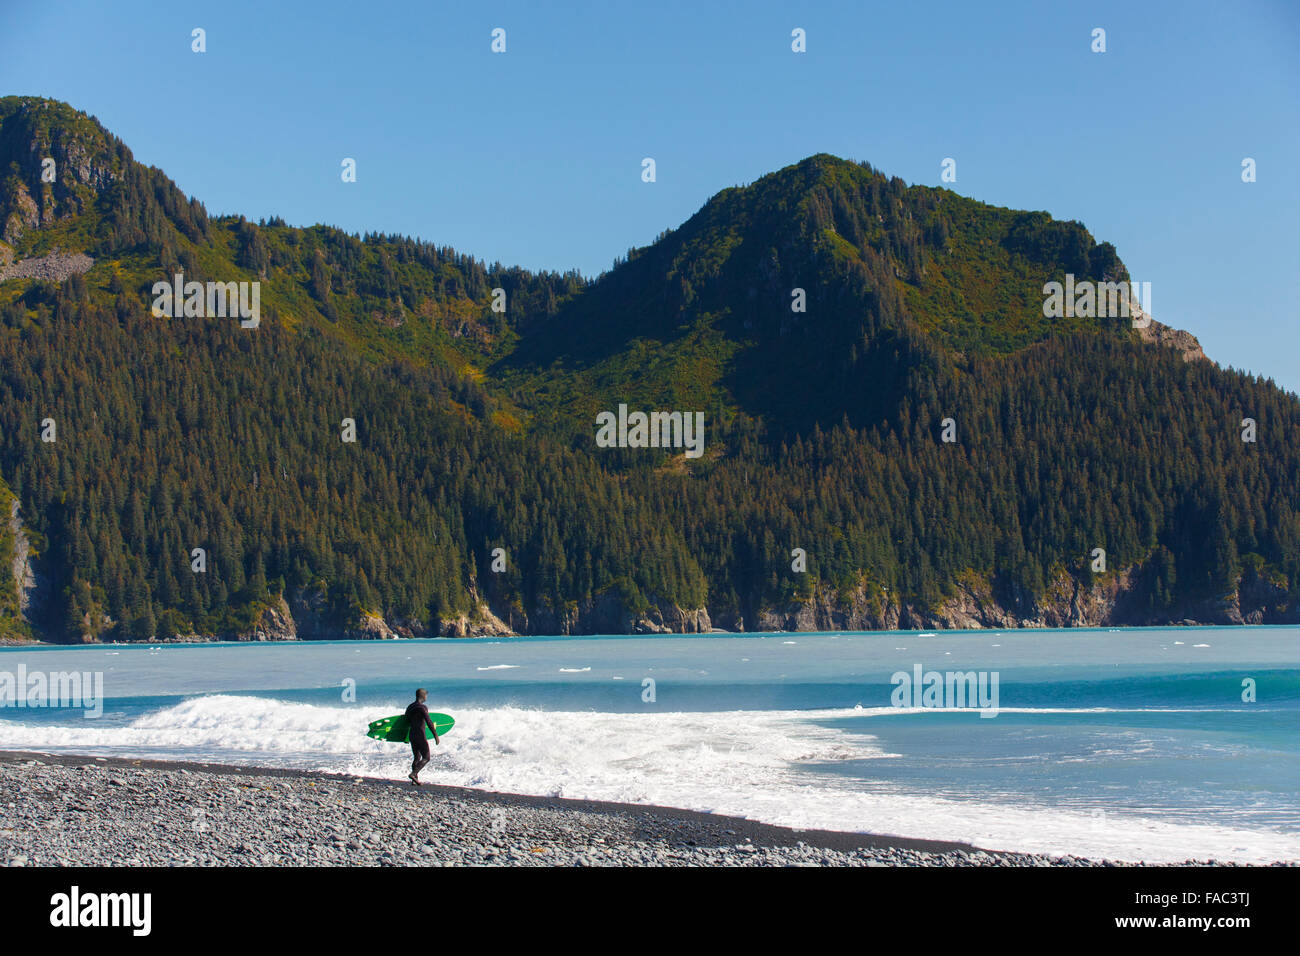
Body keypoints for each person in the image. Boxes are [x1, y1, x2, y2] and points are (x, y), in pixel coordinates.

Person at [405, 688, 440, 785]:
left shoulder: (410, 707)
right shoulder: (422, 707)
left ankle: (414, 780)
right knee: (426, 757)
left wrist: (405, 737)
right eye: (426, 695)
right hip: (420, 734)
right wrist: (435, 736)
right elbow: (428, 721)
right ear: (423, 696)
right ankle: (413, 774)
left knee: (417, 757)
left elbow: (405, 722)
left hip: (412, 734)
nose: (426, 697)